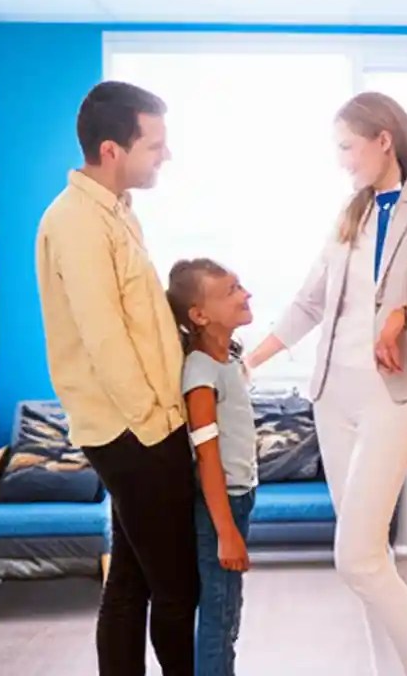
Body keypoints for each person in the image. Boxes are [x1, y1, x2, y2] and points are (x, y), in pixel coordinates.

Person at [245, 91, 407, 675]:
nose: (342, 160)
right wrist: (249, 361)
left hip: (391, 395)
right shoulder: (349, 212)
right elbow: (310, 302)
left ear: (384, 139)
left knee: (356, 559)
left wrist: (406, 312)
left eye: (347, 147)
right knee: (370, 558)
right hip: (333, 398)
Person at [34, 81, 196, 675]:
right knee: (178, 589)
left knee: (131, 578)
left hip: (145, 425)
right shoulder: (76, 222)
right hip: (133, 432)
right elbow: (105, 341)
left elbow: (139, 322)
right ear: (111, 149)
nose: (165, 156)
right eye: (154, 145)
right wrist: (158, 429)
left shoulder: (117, 211)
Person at [166, 258, 258, 676]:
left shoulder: (229, 359)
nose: (245, 294)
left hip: (240, 498)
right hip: (222, 506)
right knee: (219, 620)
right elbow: (206, 458)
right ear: (200, 315)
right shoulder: (201, 373)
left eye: (240, 286)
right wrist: (226, 533)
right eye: (232, 291)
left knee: (229, 614)